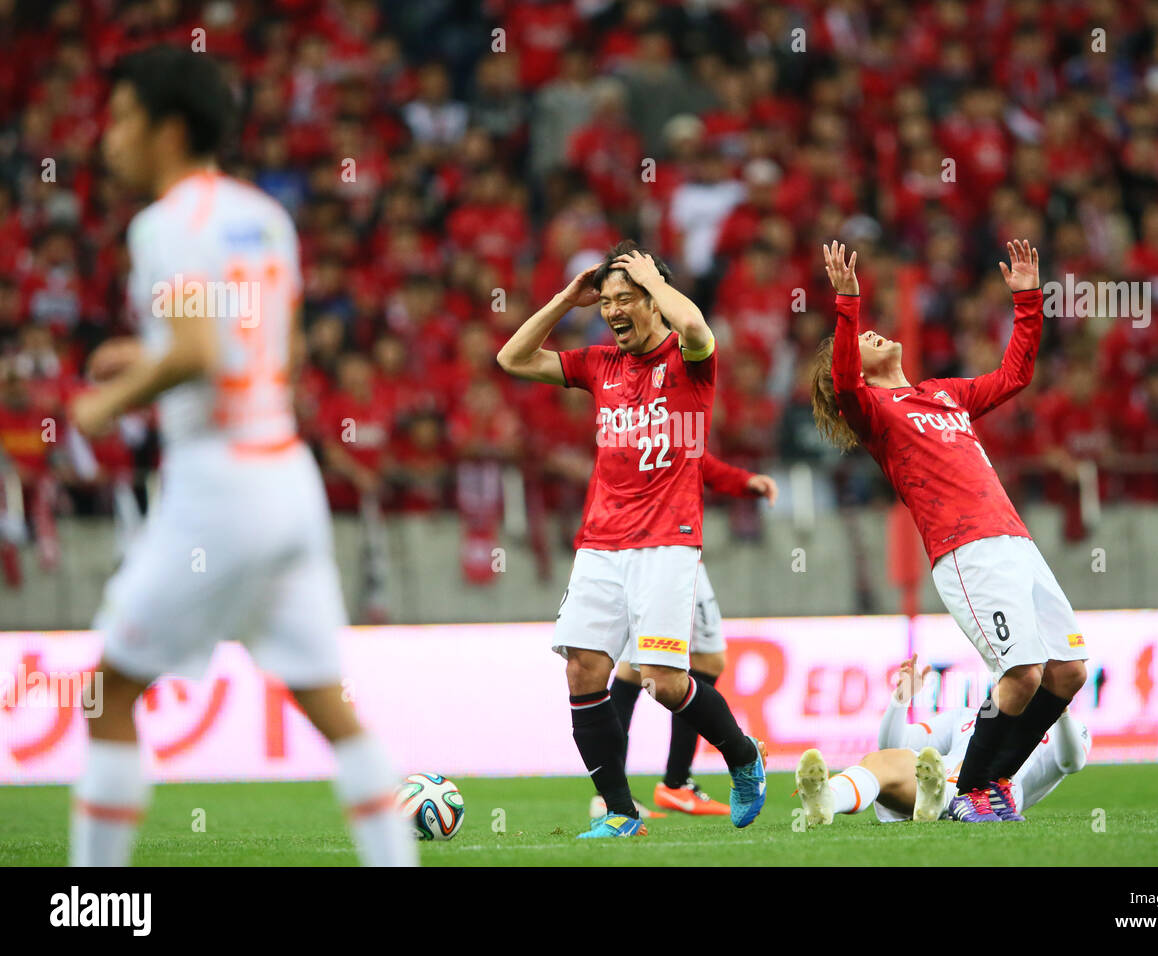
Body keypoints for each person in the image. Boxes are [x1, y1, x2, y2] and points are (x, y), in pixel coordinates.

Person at [68, 46, 413, 866]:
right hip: (286, 476)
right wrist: (142, 352)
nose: (109, 138)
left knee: (106, 692)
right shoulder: (264, 215)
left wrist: (102, 404)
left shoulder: (164, 226)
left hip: (217, 486)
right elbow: (274, 349)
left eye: (121, 118)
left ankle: (89, 905)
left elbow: (196, 351)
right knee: (329, 704)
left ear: (168, 127)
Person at [810, 239, 1088, 822]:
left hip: (1016, 541)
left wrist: (1028, 300)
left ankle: (989, 786)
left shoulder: (942, 394)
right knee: (1019, 674)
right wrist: (847, 303)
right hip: (967, 550)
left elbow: (1014, 376)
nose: (873, 335)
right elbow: (842, 380)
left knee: (1067, 673)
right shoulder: (874, 416)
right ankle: (973, 792)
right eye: (863, 341)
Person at [497, 240, 767, 837]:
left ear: (654, 300)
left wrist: (656, 278)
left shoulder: (692, 358)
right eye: (607, 301)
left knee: (666, 682)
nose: (613, 310)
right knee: (582, 672)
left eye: (627, 298)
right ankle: (621, 814)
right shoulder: (600, 365)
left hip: (669, 541)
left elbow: (694, 322)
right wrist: (568, 298)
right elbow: (512, 358)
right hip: (599, 543)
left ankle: (743, 757)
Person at [596, 451, 778, 819]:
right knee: (697, 660)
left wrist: (741, 481)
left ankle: (616, 794)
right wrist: (741, 480)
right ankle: (673, 783)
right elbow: (686, 453)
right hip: (667, 545)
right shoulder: (661, 407)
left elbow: (685, 455)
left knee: (638, 666)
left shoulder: (639, 412)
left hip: (646, 542)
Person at [794, 655, 1091, 826]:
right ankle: (826, 799)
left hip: (983, 798)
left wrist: (1058, 711)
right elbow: (892, 743)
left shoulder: (1068, 728)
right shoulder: (972, 717)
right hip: (938, 779)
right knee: (880, 761)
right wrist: (900, 701)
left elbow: (1070, 762)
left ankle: (935, 801)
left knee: (924, 775)